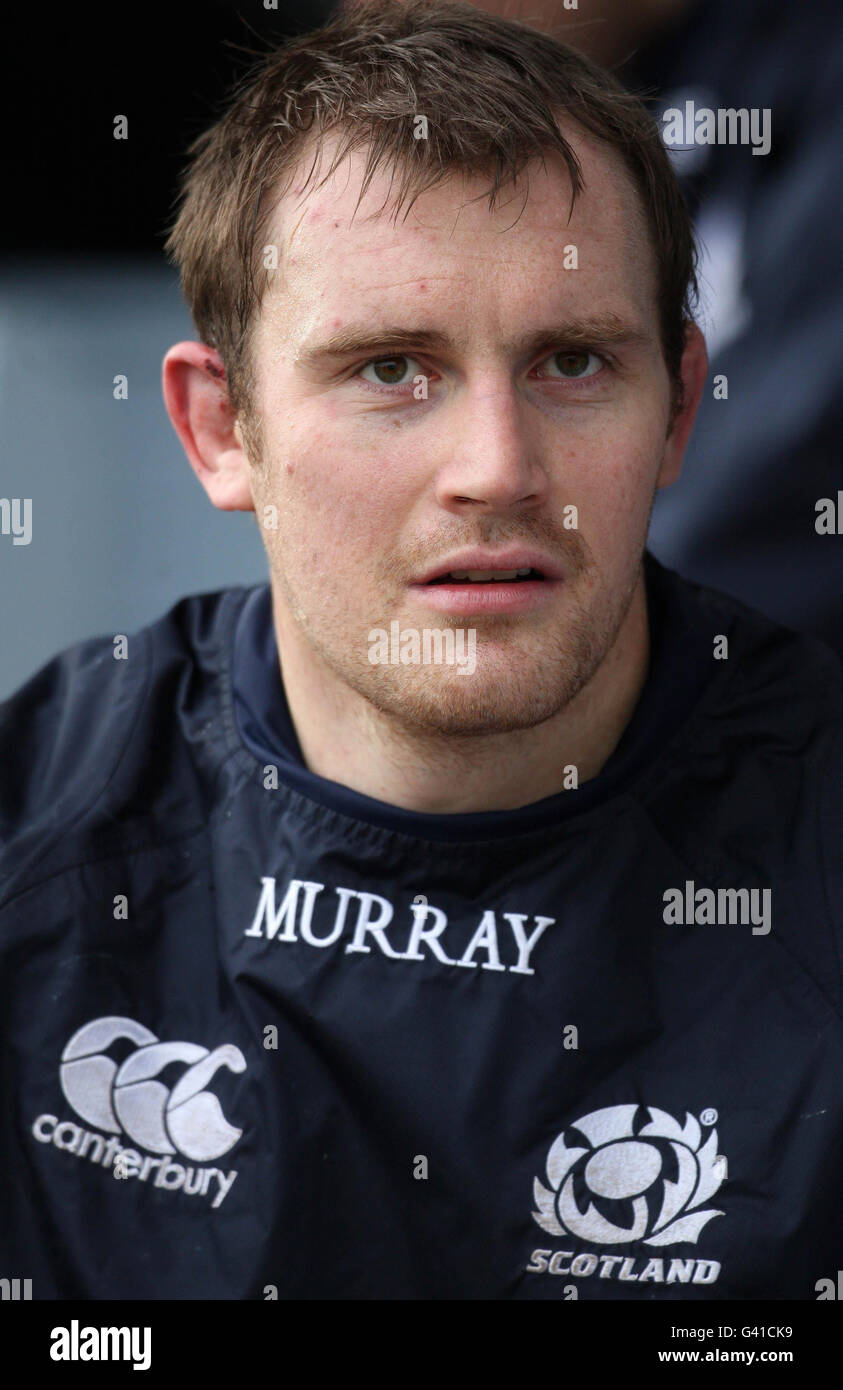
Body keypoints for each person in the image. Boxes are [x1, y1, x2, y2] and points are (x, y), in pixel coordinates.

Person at [1, 0, 840, 1301]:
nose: (496, 470)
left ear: (679, 408)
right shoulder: (38, 843)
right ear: (222, 429)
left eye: (571, 362)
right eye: (392, 368)